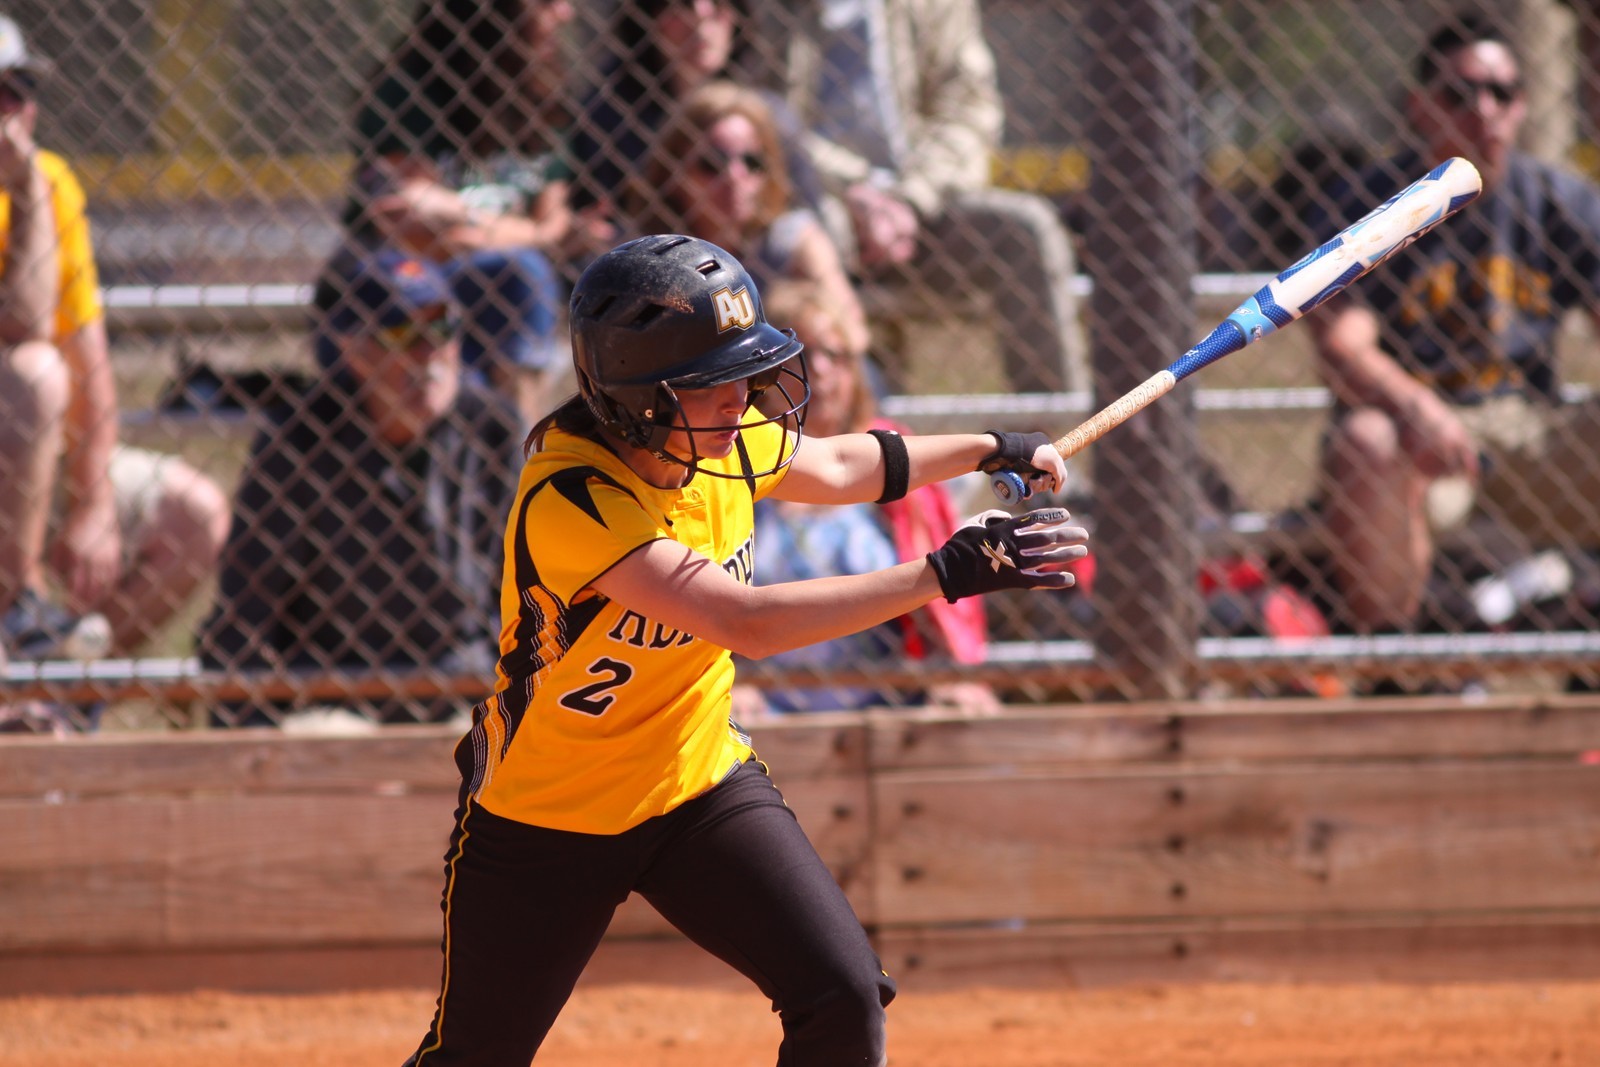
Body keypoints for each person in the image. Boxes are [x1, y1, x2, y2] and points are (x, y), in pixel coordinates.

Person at [402, 233, 1087, 1066]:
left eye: (743, 375)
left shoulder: (712, 441)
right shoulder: (573, 499)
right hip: (547, 813)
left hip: (693, 783)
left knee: (841, 994)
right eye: (711, 382)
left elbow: (840, 465)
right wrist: (941, 572)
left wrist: (990, 446)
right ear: (640, 394)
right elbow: (746, 622)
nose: (742, 398)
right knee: (474, 1056)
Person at [1309, 16, 1600, 633]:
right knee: (1366, 440)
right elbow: (1343, 345)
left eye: (1503, 92)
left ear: (1523, 105)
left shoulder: (1559, 201)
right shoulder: (1370, 206)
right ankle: (1397, 669)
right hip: (1414, 438)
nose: (1484, 110)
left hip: (1528, 429)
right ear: (1419, 107)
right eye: (1460, 94)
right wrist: (1417, 408)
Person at [197, 249, 522, 728]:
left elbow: (540, 590)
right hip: (334, 695)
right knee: (327, 744)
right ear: (353, 350)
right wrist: (251, 736)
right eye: (401, 334)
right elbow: (246, 612)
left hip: (467, 687)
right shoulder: (300, 440)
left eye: (443, 329)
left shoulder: (492, 427)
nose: (429, 354)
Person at [0, 14, 228, 663]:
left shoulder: (50, 183)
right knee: (31, 375)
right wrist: (24, 190)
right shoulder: (31, 187)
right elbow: (22, 323)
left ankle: (60, 690)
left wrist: (94, 504)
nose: (11, 110)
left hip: (33, 468)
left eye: (19, 89)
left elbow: (88, 356)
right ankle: (17, 613)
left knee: (194, 516)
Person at [756, 0, 1088, 393]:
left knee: (1026, 230)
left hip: (925, 197)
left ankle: (1056, 425)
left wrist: (909, 198)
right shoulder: (773, 11)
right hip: (820, 195)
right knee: (814, 237)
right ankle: (846, 419)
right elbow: (768, 117)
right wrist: (856, 188)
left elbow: (969, 110)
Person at [333, 0, 610, 420]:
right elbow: (403, 220)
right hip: (404, 283)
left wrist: (461, 217)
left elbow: (550, 225)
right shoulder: (411, 88)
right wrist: (527, 233)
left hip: (500, 287)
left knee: (525, 272)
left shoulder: (545, 94)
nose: (565, 13)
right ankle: (521, 457)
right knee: (523, 271)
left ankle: (520, 454)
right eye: (546, 2)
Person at [737, 277, 998, 715]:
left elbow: (943, 597)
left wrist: (953, 676)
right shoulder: (734, 465)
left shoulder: (894, 459)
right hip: (762, 704)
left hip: (891, 701)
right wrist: (736, 683)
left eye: (833, 355)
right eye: (800, 356)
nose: (818, 371)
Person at [628, 79, 870, 357]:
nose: (734, 178)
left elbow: (854, 336)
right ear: (674, 173)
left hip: (782, 389)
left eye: (752, 163)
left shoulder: (791, 240)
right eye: (712, 163)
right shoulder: (650, 257)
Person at [568, 0, 825, 221]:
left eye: (718, 4)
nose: (702, 16)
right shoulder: (610, 116)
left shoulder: (769, 115)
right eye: (683, 4)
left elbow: (805, 215)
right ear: (649, 17)